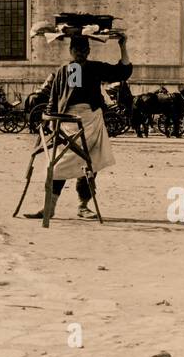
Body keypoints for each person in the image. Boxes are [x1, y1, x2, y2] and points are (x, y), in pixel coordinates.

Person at [25, 30, 133, 222]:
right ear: (71, 50)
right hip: (67, 123)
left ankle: (83, 206)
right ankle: (49, 207)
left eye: (84, 49)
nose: (80, 53)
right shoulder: (62, 72)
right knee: (58, 164)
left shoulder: (95, 68)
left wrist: (122, 46)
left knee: (89, 164)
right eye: (77, 49)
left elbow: (123, 72)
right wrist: (49, 119)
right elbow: (54, 99)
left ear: (89, 50)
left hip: (91, 120)